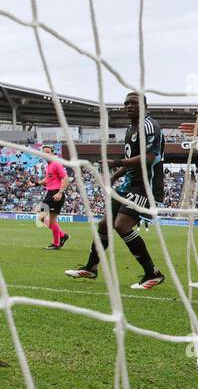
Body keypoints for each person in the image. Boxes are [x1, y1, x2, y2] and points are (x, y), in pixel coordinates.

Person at [65, 92, 165, 289]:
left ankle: (153, 273)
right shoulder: (131, 129)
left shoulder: (149, 126)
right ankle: (91, 267)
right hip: (129, 185)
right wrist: (115, 175)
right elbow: (131, 158)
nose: (129, 106)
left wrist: (115, 163)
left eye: (134, 103)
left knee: (121, 225)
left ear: (145, 105)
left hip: (146, 186)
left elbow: (149, 158)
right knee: (104, 225)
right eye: (126, 103)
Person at [39, 144, 71, 250]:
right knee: (42, 218)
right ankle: (62, 236)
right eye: (44, 153)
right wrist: (36, 184)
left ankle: (57, 243)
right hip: (51, 193)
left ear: (53, 153)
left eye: (48, 152)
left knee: (50, 220)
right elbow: (47, 180)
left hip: (56, 193)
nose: (46, 154)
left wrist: (60, 193)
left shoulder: (56, 164)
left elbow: (65, 179)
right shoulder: (49, 166)